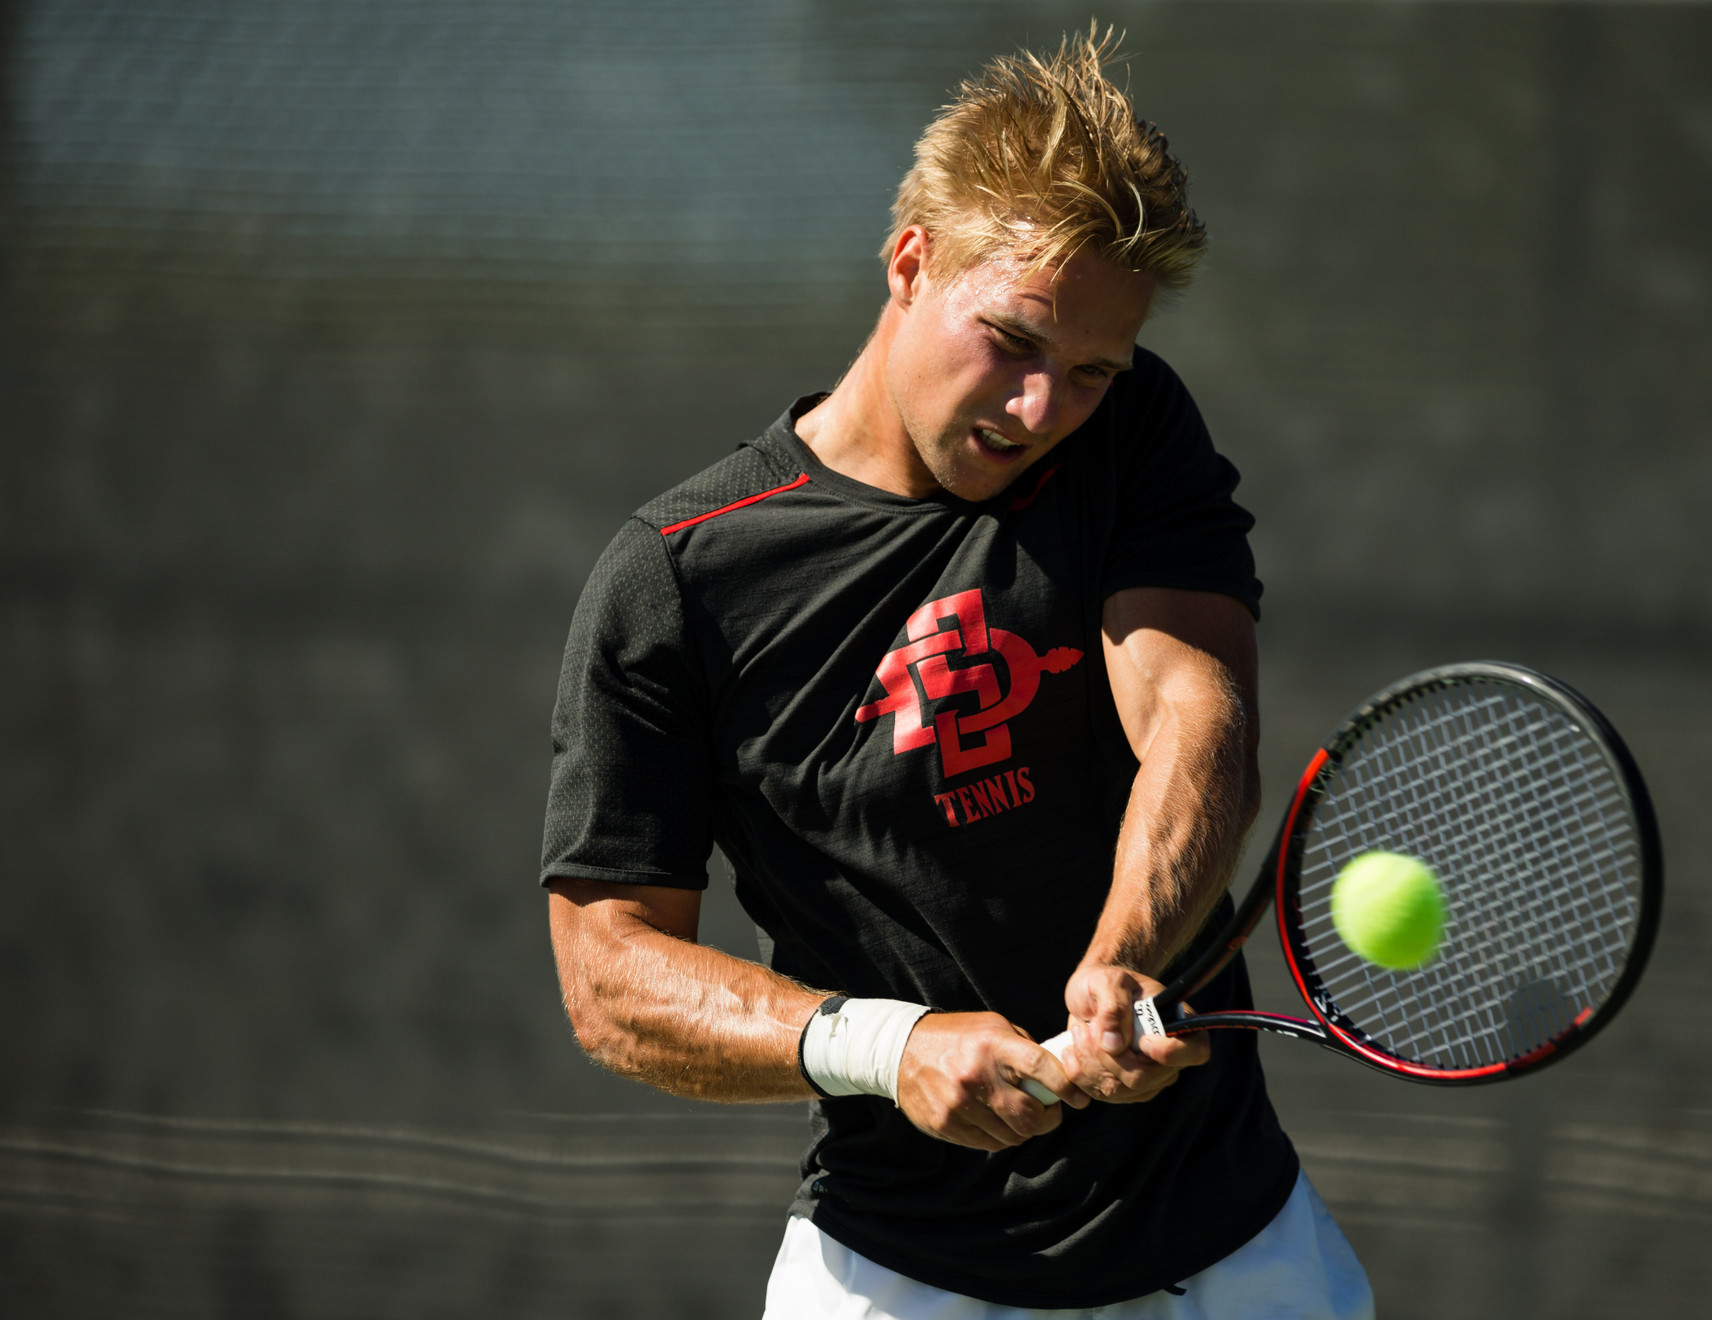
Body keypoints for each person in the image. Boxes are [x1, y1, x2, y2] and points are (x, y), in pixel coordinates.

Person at [540, 29, 1374, 1320]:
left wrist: (1122, 961)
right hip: (899, 1274)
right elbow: (611, 974)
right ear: (911, 260)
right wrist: (886, 1048)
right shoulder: (680, 577)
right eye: (1015, 342)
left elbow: (1198, 714)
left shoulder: (1132, 433)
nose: (1046, 408)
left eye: (1091, 370)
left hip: (1240, 1255)